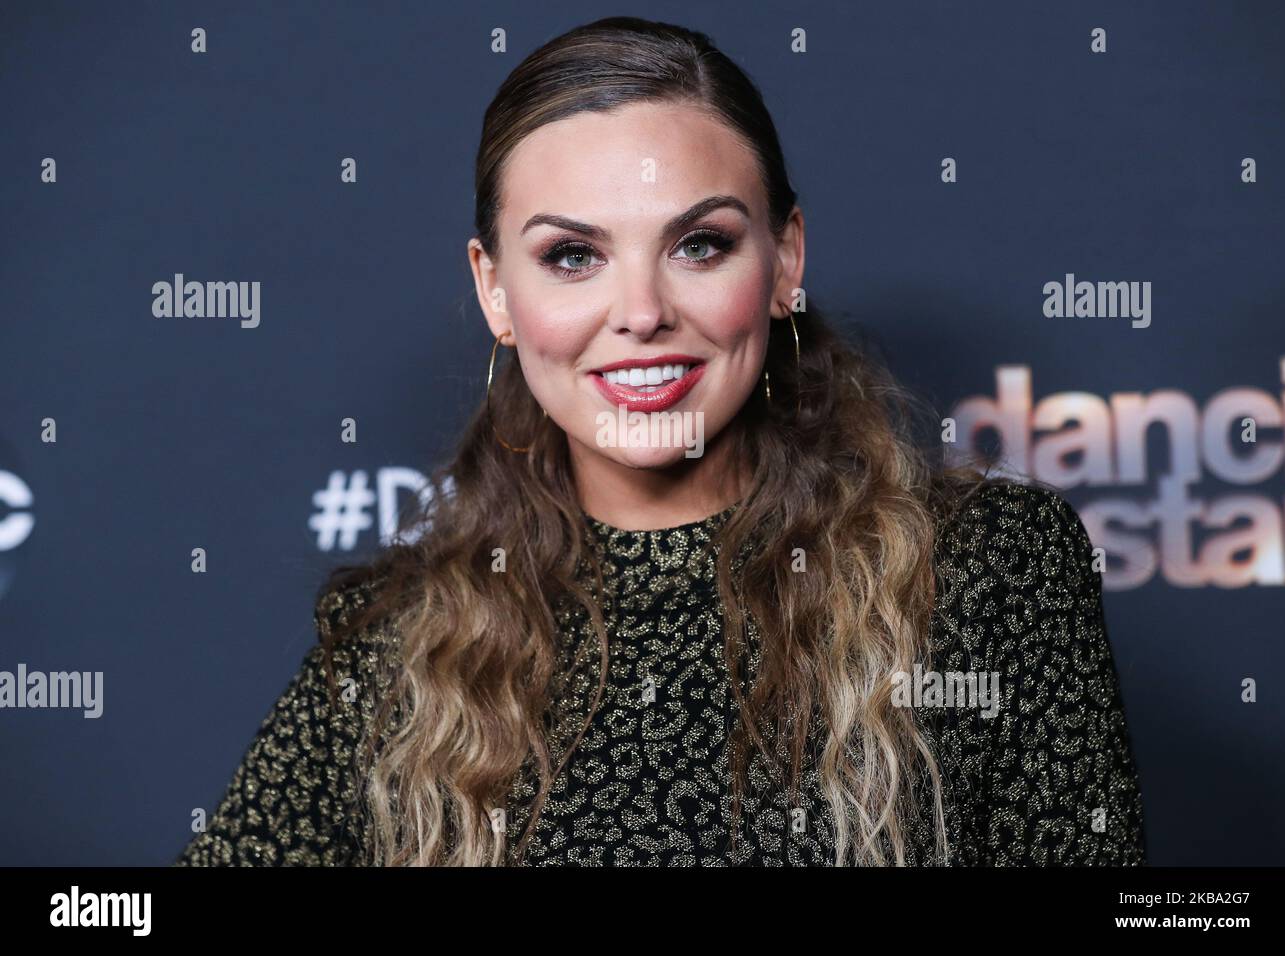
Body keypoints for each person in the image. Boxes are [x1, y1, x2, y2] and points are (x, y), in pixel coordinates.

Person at [175, 16, 1145, 867]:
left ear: (785, 260)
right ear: (494, 291)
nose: (639, 313)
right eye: (571, 255)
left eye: (699, 244)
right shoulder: (402, 636)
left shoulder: (992, 568)